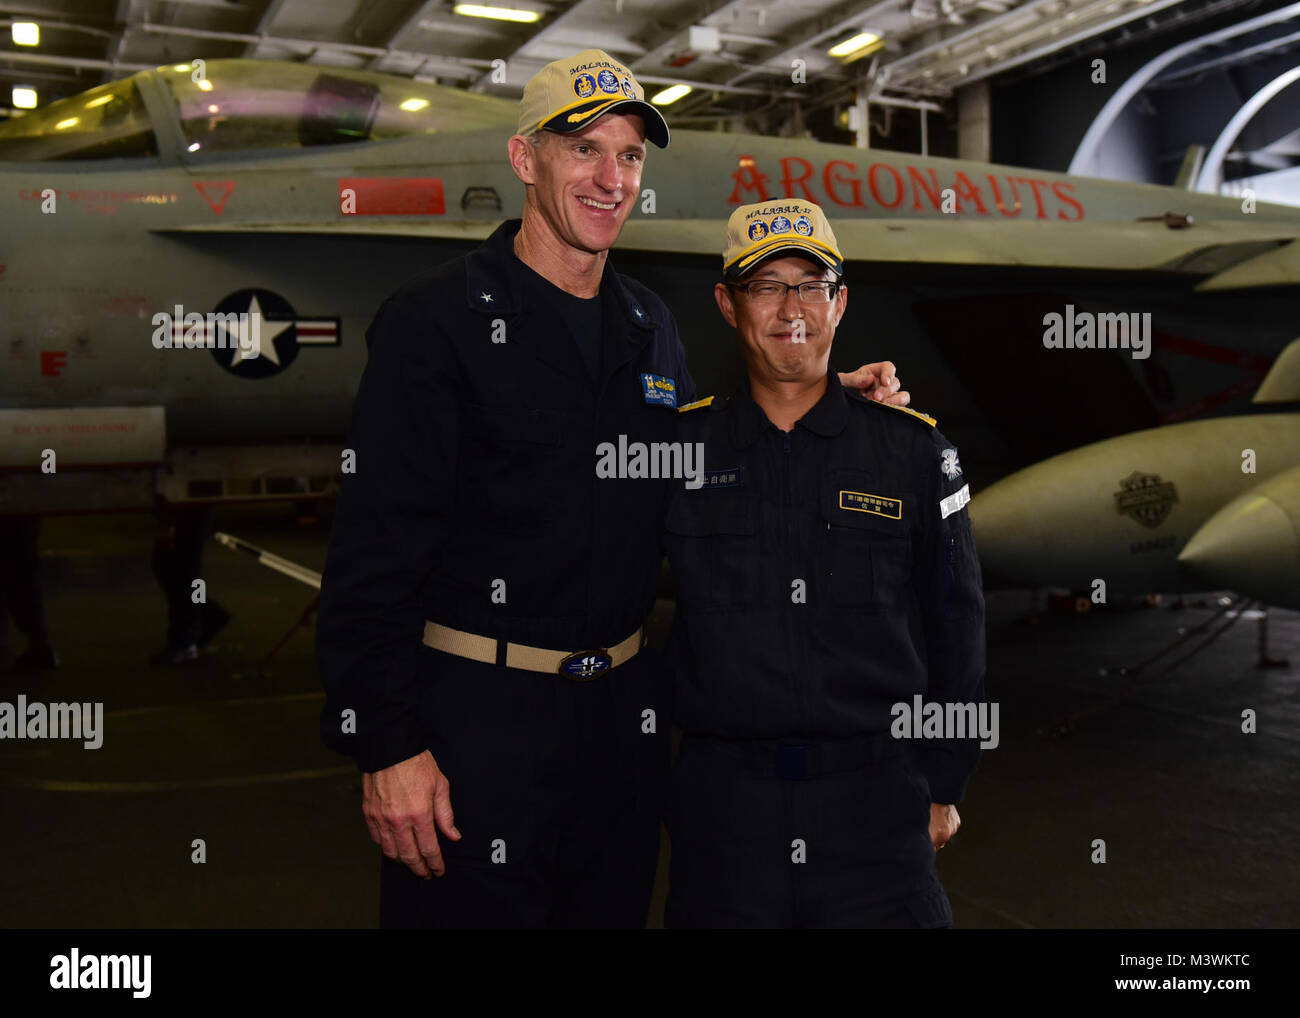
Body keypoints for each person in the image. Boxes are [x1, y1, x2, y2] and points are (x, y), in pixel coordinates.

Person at [315, 50, 908, 929]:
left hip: (621, 735)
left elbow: (685, 470)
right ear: (525, 160)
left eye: (629, 156)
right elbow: (373, 550)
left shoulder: (647, 324)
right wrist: (388, 744)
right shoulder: (436, 324)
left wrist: (819, 398)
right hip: (478, 732)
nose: (610, 178)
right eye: (584, 149)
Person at [663, 198, 986, 928]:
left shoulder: (914, 453)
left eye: (810, 285)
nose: (791, 307)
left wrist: (944, 781)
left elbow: (957, 628)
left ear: (839, 302)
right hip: (725, 817)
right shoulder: (680, 452)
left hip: (877, 806)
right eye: (765, 286)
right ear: (728, 303)